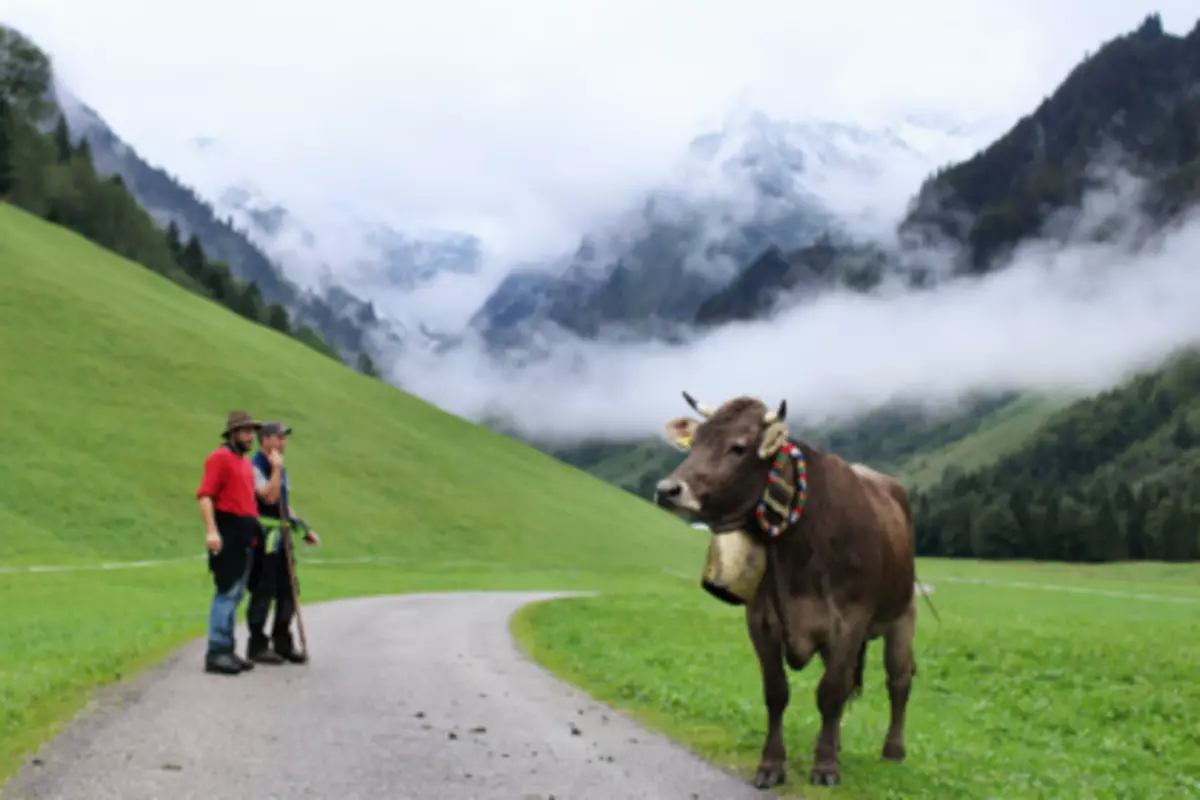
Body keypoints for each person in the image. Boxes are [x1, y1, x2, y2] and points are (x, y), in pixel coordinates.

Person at [195, 410, 264, 675]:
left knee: (237, 593)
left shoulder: (245, 464)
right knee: (226, 590)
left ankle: (228, 648)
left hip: (245, 533)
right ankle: (216, 650)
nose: (251, 437)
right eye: (247, 431)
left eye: (253, 432)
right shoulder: (219, 458)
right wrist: (212, 531)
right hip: (228, 530)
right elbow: (205, 496)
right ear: (233, 432)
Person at [246, 420, 320, 664]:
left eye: (284, 438)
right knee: (263, 591)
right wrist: (276, 470)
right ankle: (257, 645)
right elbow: (269, 496)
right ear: (265, 439)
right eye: (279, 437)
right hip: (264, 538)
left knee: (289, 590)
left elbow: (283, 503)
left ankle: (282, 642)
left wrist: (302, 527)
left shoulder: (280, 468)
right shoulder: (254, 466)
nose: (283, 442)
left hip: (283, 538)